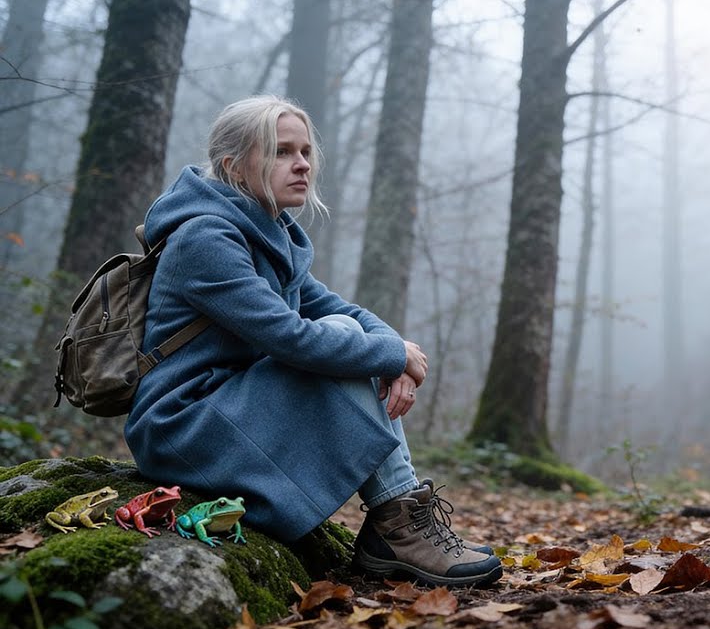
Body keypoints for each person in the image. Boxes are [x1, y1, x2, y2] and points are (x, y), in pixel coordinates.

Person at [125, 94, 502, 588]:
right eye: (281, 152)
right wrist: (391, 356)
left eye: (305, 151)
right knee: (341, 342)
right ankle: (396, 524)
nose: (302, 164)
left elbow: (339, 309)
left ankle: (398, 519)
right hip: (183, 426)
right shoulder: (205, 239)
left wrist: (393, 354)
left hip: (232, 407)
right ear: (234, 166)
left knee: (348, 334)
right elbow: (290, 338)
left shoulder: (266, 231)